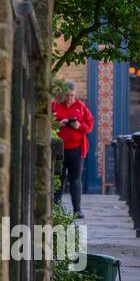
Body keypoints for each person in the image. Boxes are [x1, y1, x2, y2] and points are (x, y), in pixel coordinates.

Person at [51, 80, 94, 218]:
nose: (70, 98)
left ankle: (77, 209)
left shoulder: (81, 107)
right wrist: (59, 124)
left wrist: (79, 126)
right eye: (67, 95)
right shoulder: (55, 105)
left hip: (76, 150)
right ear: (63, 94)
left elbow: (89, 125)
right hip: (59, 149)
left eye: (72, 95)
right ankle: (56, 208)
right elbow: (48, 122)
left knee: (75, 179)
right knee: (59, 178)